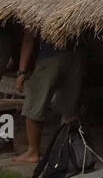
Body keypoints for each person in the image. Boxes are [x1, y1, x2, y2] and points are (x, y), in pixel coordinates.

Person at [11, 30, 86, 164]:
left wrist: (22, 71)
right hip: (75, 57)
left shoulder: (36, 9)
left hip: (50, 57)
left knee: (34, 105)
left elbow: (28, 39)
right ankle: (69, 152)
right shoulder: (72, 9)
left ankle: (32, 151)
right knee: (69, 109)